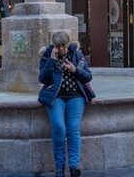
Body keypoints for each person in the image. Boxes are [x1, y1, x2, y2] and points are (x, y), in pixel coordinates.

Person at [38, 31, 93, 177]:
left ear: (68, 44)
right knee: (59, 127)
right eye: (58, 46)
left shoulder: (76, 54)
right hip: (56, 97)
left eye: (63, 45)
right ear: (54, 45)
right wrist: (52, 61)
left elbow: (88, 76)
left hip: (76, 96)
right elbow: (42, 78)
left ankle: (74, 166)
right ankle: (60, 169)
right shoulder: (47, 55)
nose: (61, 48)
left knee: (73, 128)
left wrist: (75, 69)